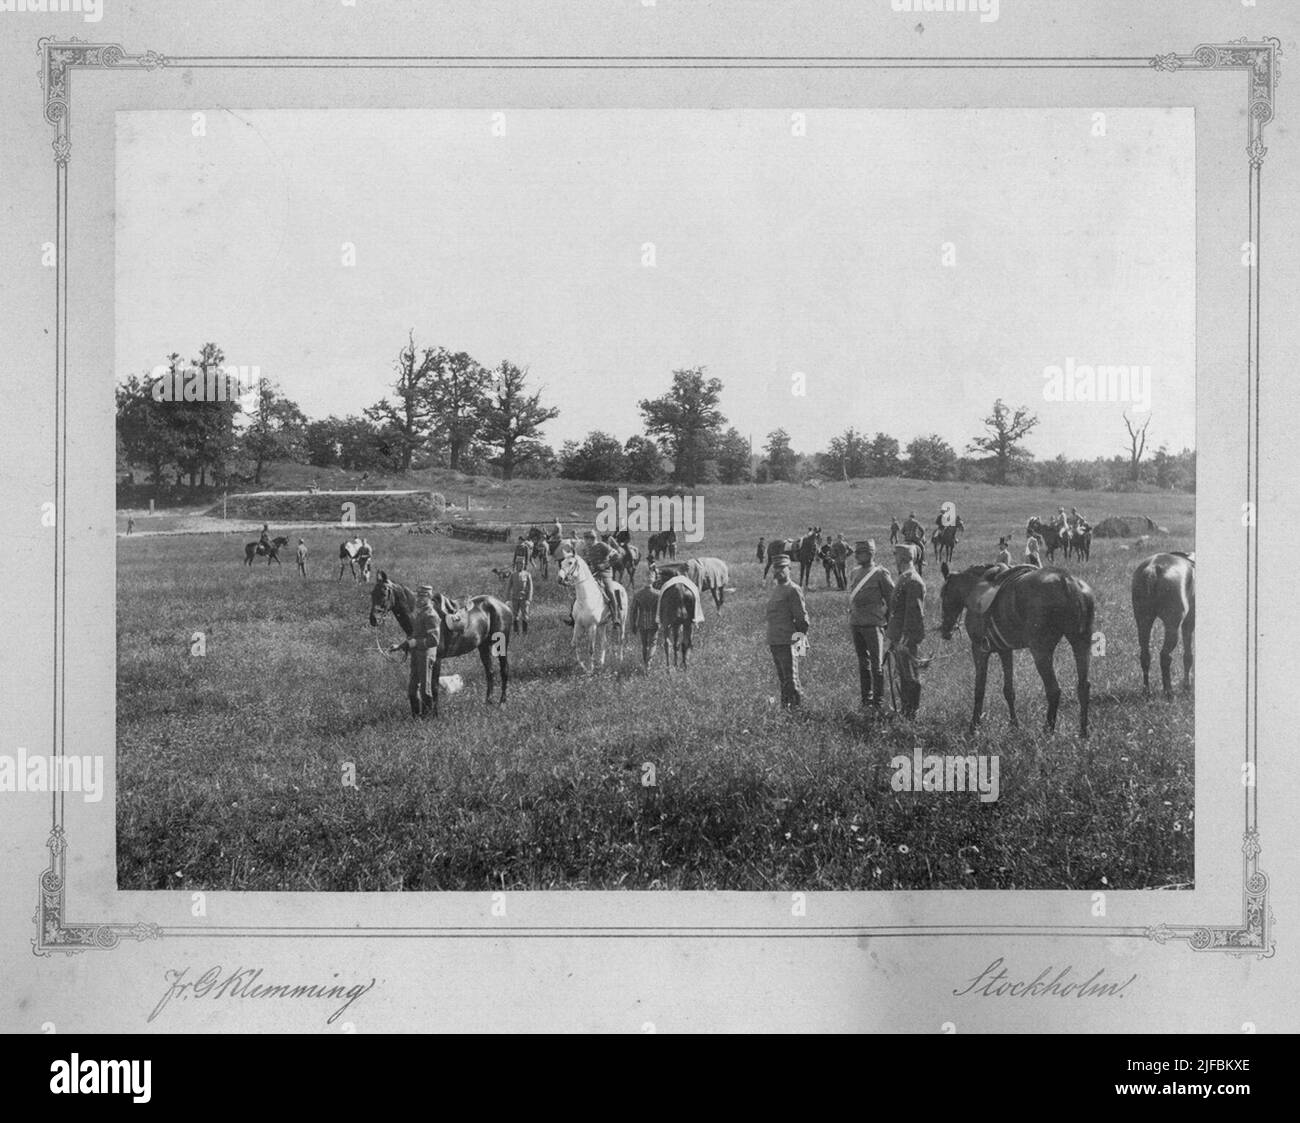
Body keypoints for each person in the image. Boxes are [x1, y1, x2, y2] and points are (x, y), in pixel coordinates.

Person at [847, 539, 895, 712]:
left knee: (876, 665)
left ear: (871, 554)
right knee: (863, 663)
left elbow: (892, 599)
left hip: (874, 624)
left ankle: (878, 701)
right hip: (856, 623)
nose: (857, 556)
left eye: (860, 553)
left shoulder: (880, 573)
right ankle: (865, 699)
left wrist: (889, 623)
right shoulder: (854, 572)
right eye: (856, 553)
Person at [886, 544, 926, 718]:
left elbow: (914, 614)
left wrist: (904, 640)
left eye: (896, 557)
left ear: (901, 558)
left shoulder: (913, 581)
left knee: (910, 677)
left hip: (905, 639)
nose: (894, 560)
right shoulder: (905, 577)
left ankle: (911, 715)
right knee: (903, 676)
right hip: (899, 637)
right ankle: (906, 711)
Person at [766, 554, 810, 709]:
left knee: (791, 679)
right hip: (775, 641)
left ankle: (797, 711)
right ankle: (786, 711)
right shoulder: (776, 589)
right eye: (776, 568)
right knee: (783, 679)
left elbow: (802, 620)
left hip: (788, 641)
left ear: (789, 568)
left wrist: (800, 645)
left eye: (782, 568)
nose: (778, 571)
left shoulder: (793, 590)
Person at [389, 584, 441, 718]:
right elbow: (415, 634)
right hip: (416, 654)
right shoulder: (420, 613)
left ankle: (427, 718)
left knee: (425, 689)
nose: (419, 599)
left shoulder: (431, 615)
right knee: (412, 689)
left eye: (422, 596)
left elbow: (433, 641)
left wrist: (414, 643)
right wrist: (400, 646)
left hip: (426, 655)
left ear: (429, 597)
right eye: (418, 596)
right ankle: (415, 716)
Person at [579, 528, 621, 623]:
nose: (587, 541)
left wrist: (605, 565)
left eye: (589, 539)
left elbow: (616, 556)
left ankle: (615, 616)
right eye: (586, 539)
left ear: (593, 538)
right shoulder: (585, 549)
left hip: (605, 573)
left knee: (609, 590)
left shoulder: (602, 545)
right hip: (592, 574)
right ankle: (575, 615)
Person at [506, 555, 533, 635]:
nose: (521, 565)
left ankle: (525, 633)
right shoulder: (513, 575)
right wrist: (508, 599)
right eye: (519, 564)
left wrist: (529, 599)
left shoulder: (527, 575)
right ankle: (516, 632)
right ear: (516, 564)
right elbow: (508, 588)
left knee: (525, 616)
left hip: (524, 599)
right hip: (515, 599)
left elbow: (531, 588)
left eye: (523, 564)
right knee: (515, 616)